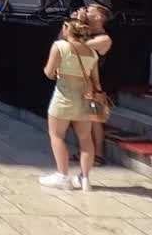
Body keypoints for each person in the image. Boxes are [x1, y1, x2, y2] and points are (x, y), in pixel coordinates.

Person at [41, 16, 102, 190]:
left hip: (63, 98)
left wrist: (59, 72)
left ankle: (62, 175)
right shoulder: (92, 53)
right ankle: (85, 178)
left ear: (67, 27)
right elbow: (96, 81)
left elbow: (49, 72)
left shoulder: (60, 46)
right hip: (84, 99)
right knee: (85, 139)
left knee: (57, 135)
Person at [80, 4, 114, 168]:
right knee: (82, 120)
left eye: (89, 10)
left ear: (100, 17)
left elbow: (79, 47)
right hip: (81, 81)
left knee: (95, 120)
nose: (86, 11)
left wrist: (78, 26)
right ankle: (86, 151)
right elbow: (63, 43)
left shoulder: (104, 38)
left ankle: (98, 154)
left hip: (96, 85)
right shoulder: (86, 32)